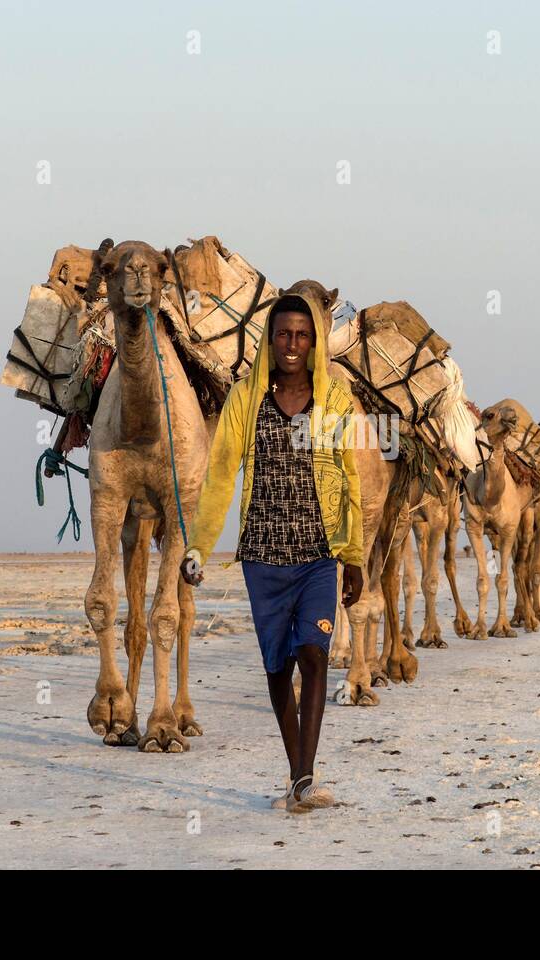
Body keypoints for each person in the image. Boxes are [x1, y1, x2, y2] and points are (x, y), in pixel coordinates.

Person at [180, 291, 364, 813]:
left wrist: (353, 554)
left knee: (314, 653)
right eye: (283, 334)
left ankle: (305, 779)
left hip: (317, 552)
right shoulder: (245, 399)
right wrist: (198, 546)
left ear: (314, 344)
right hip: (262, 554)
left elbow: (349, 478)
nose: (292, 345)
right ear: (270, 340)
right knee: (278, 666)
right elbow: (220, 477)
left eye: (302, 336)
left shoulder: (332, 401)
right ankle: (295, 772)